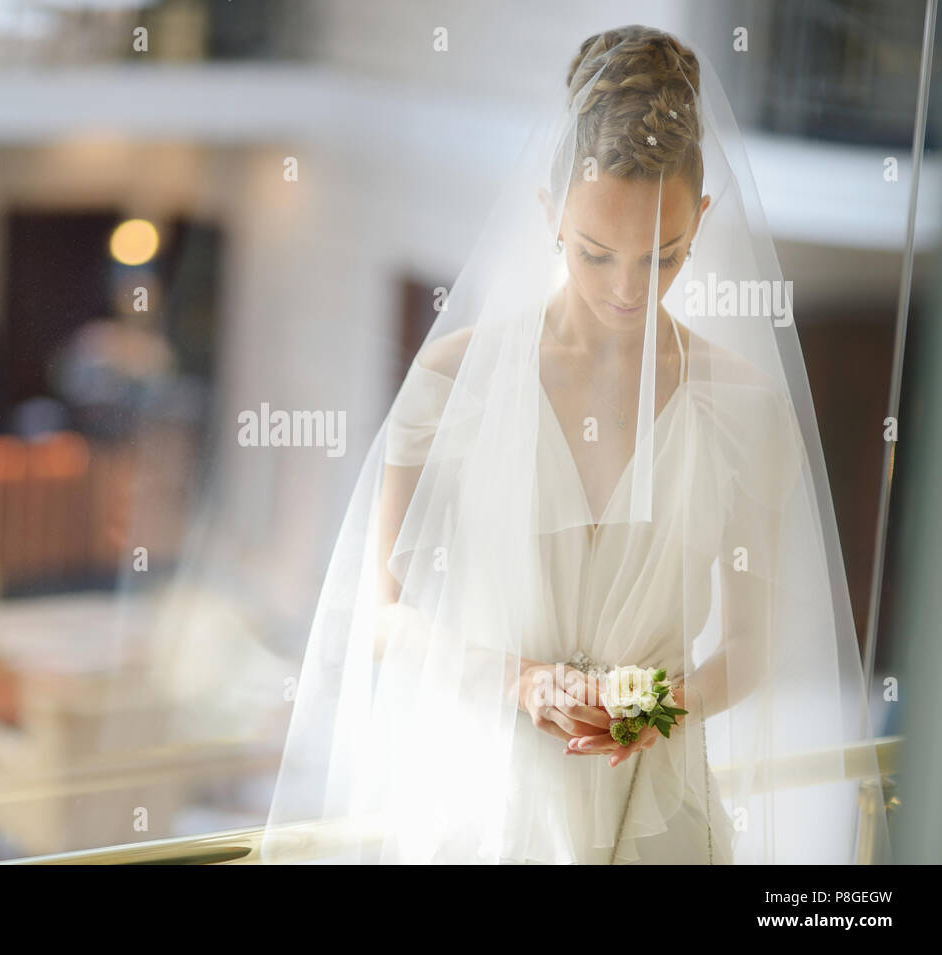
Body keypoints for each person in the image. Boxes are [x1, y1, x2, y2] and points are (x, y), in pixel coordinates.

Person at [262, 25, 890, 864]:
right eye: (597, 254)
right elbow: (384, 615)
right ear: (550, 214)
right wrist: (518, 679)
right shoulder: (453, 382)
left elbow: (748, 647)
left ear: (701, 220)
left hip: (662, 815)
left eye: (662, 257)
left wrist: (666, 703)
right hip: (486, 810)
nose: (628, 291)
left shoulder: (743, 407)